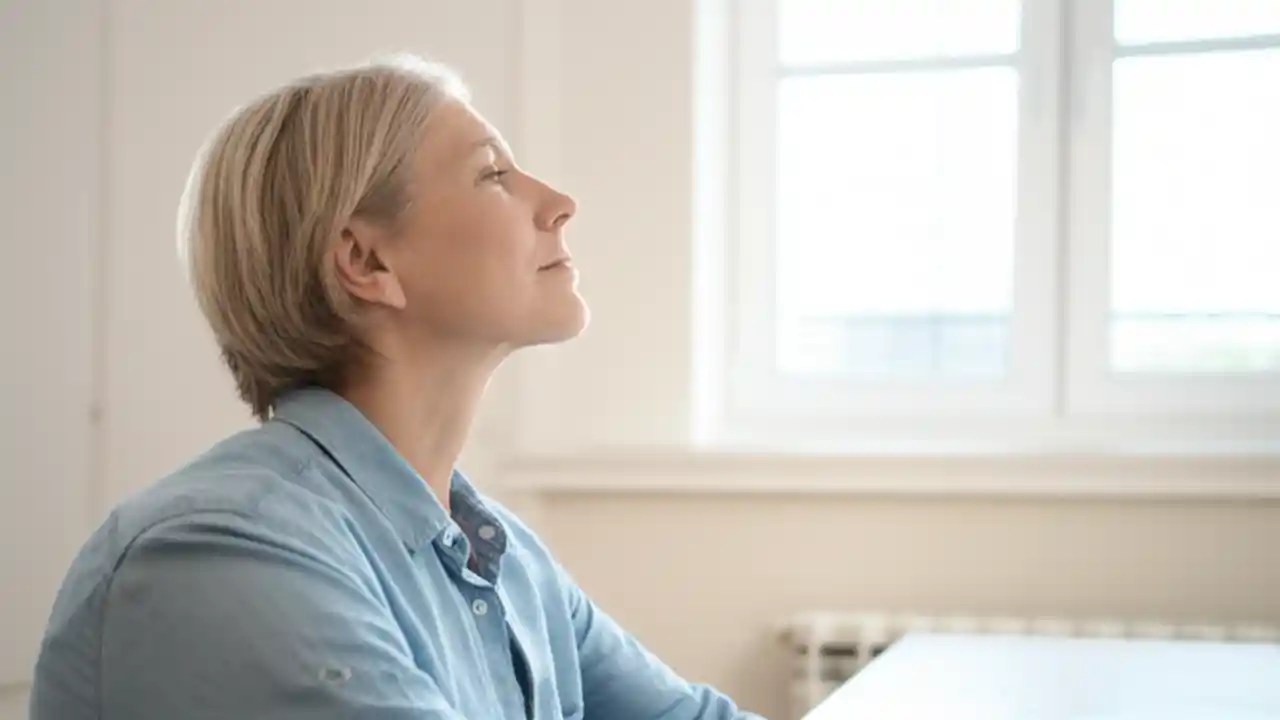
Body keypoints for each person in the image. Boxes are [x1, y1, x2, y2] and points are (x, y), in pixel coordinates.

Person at [30, 55, 761, 720]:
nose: (560, 202)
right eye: (493, 175)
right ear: (365, 261)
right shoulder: (222, 551)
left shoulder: (505, 561)